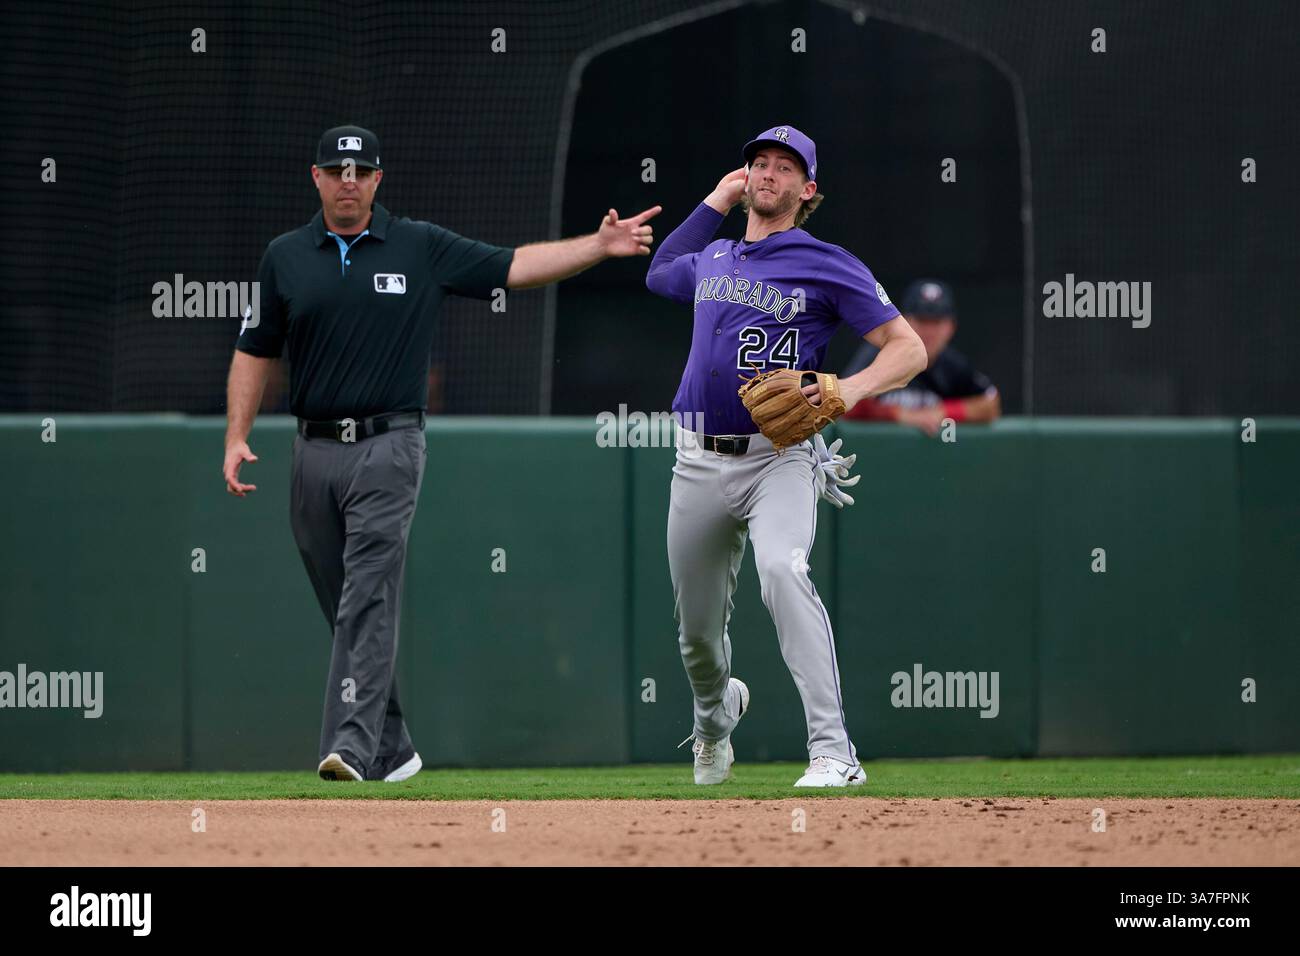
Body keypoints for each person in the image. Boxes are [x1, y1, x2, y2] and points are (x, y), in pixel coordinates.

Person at [222, 124, 660, 782]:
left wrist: (598, 247)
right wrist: (236, 436)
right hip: (312, 450)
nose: (348, 180)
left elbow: (512, 267)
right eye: (336, 170)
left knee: (366, 595)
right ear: (315, 177)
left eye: (360, 170)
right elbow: (255, 350)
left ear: (377, 180)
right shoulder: (285, 256)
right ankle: (395, 749)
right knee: (342, 598)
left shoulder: (417, 246)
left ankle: (352, 742)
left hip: (389, 444)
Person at [645, 125, 927, 788]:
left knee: (782, 569)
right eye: (759, 163)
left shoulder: (825, 261)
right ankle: (715, 719)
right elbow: (659, 274)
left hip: (780, 457)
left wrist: (848, 390)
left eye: (784, 167)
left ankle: (834, 752)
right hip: (698, 461)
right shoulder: (713, 258)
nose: (768, 174)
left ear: (807, 189)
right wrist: (715, 199)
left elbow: (907, 348)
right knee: (696, 638)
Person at [843, 279, 1000, 435]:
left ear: (951, 327)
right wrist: (899, 414)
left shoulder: (951, 364)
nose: (929, 331)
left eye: (937, 322)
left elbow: (990, 404)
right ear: (903, 322)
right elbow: (844, 403)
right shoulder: (880, 354)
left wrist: (943, 412)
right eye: (922, 321)